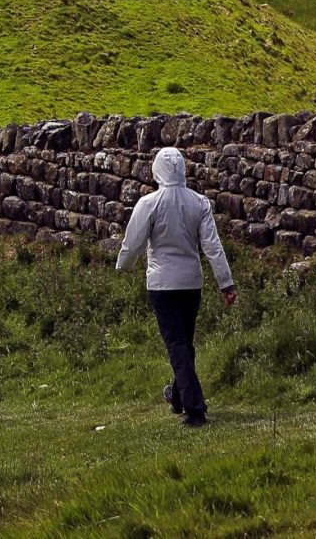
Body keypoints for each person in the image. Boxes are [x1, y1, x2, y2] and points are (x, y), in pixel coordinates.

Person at [115, 146, 236, 427]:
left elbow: (132, 242)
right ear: (183, 169)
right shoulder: (199, 203)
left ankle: (195, 409)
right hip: (191, 284)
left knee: (177, 345)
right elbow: (213, 248)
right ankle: (178, 398)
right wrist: (225, 283)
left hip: (162, 283)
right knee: (185, 344)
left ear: (157, 170)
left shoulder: (149, 204)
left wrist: (124, 265)